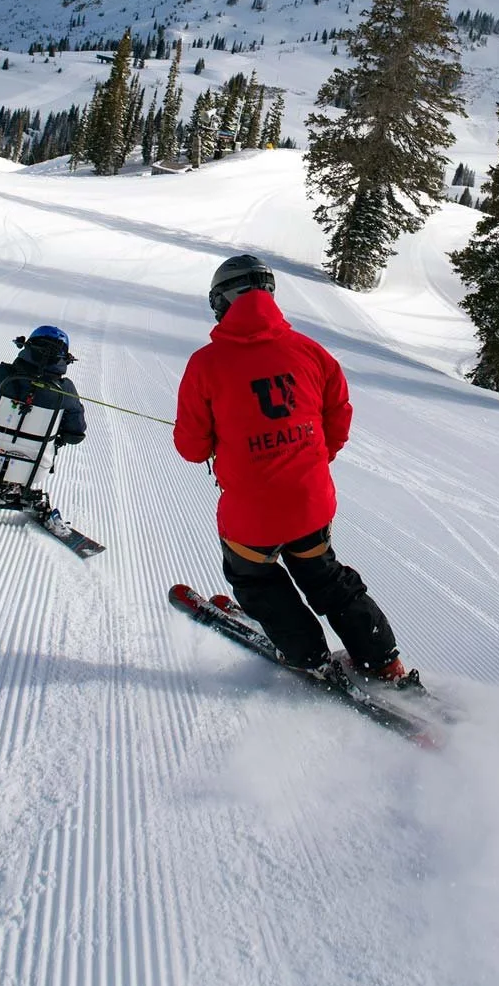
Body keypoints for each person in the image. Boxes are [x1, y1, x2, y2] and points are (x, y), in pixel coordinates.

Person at [173, 255, 412, 683]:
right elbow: (338, 415)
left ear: (223, 301)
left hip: (252, 516)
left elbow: (191, 448)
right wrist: (308, 461)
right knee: (326, 576)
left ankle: (308, 656)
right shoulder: (310, 351)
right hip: (310, 502)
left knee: (255, 580)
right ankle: (382, 659)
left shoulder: (206, 364)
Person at [0, 325, 87, 491]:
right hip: (31, 470)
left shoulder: (0, 374)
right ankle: (15, 485)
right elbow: (75, 433)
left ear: (27, 346)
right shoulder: (65, 391)